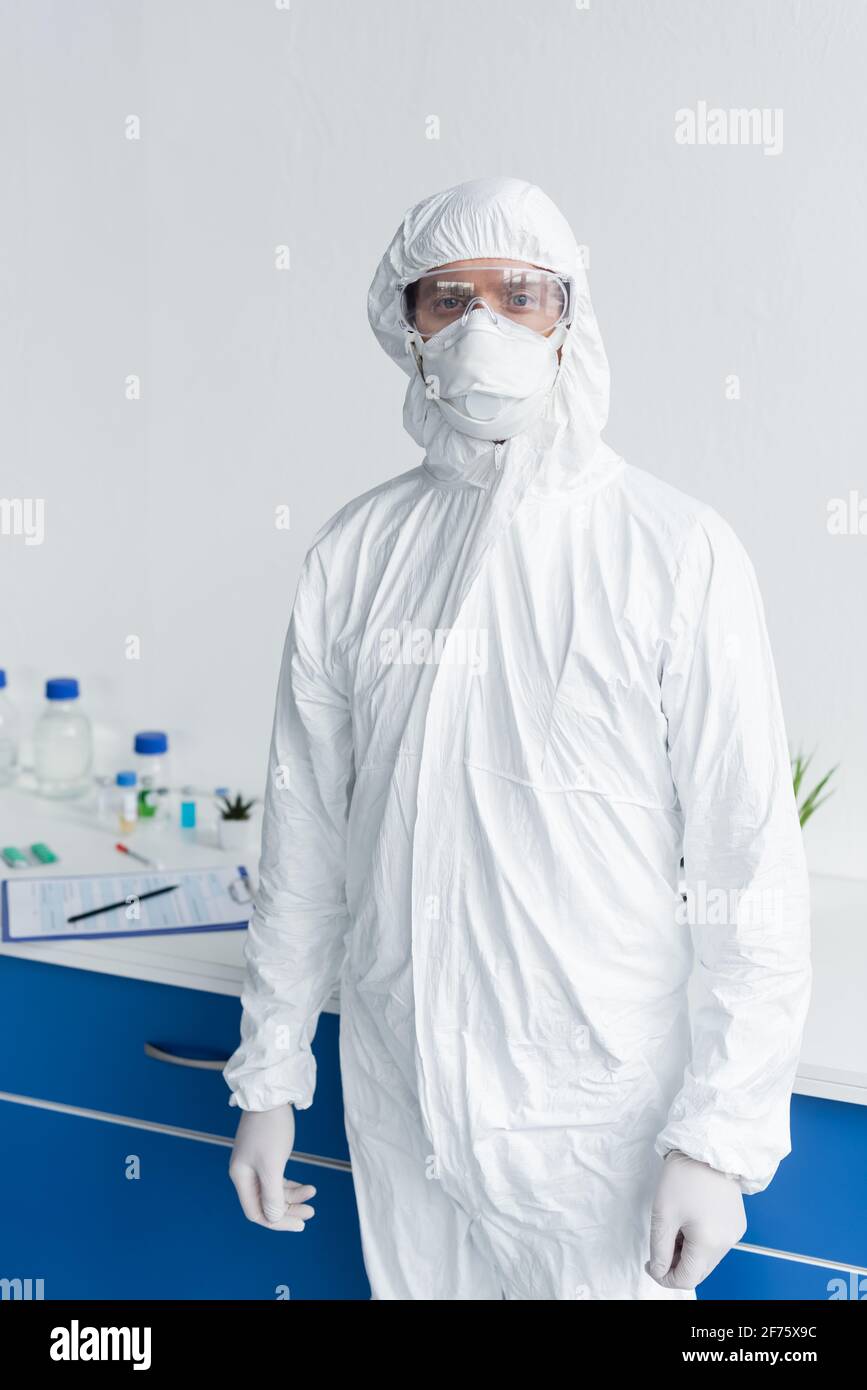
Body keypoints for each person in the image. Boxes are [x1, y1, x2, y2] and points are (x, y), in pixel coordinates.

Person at [224, 177, 812, 1301]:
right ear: (407, 326)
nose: (484, 325)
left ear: (569, 317)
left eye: (521, 295)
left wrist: (720, 1135)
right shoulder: (356, 557)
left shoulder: (675, 553)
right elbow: (304, 844)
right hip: (404, 1114)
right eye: (450, 297)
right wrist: (269, 1077)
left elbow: (749, 869)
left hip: (598, 1137)